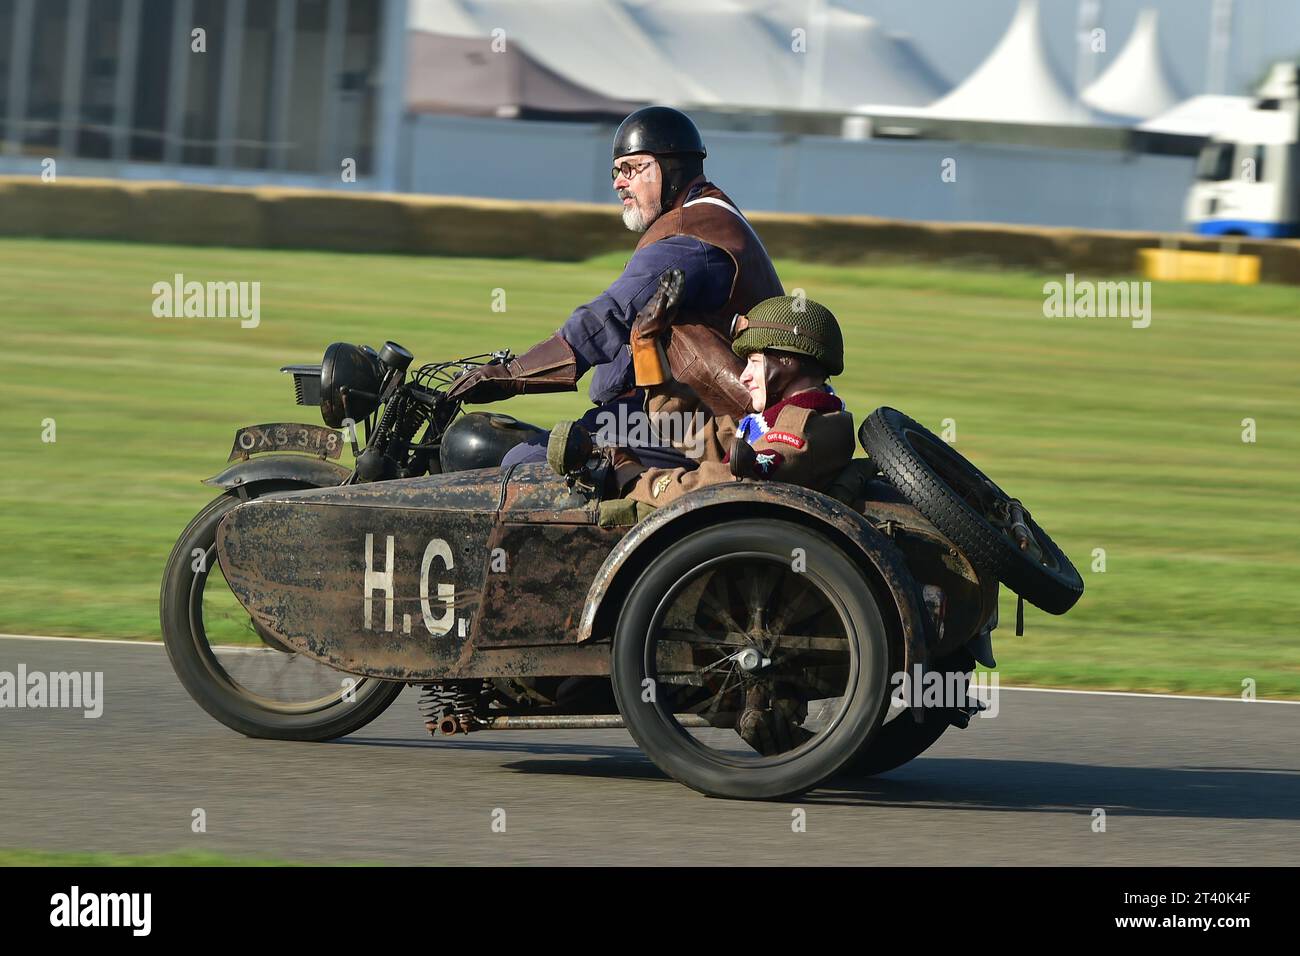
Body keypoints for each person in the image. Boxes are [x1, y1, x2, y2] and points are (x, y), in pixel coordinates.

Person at [445, 105, 783, 470]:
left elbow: (609, 315)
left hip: (713, 425)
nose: (618, 183)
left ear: (671, 169)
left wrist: (513, 376)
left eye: (631, 169)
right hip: (681, 411)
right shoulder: (705, 218)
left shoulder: (690, 236)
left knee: (526, 463)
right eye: (616, 171)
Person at [549, 274, 856, 517]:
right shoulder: (786, 417)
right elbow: (702, 436)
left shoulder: (803, 428)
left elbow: (729, 486)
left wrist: (635, 479)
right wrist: (647, 347)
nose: (746, 374)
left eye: (755, 362)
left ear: (788, 362)